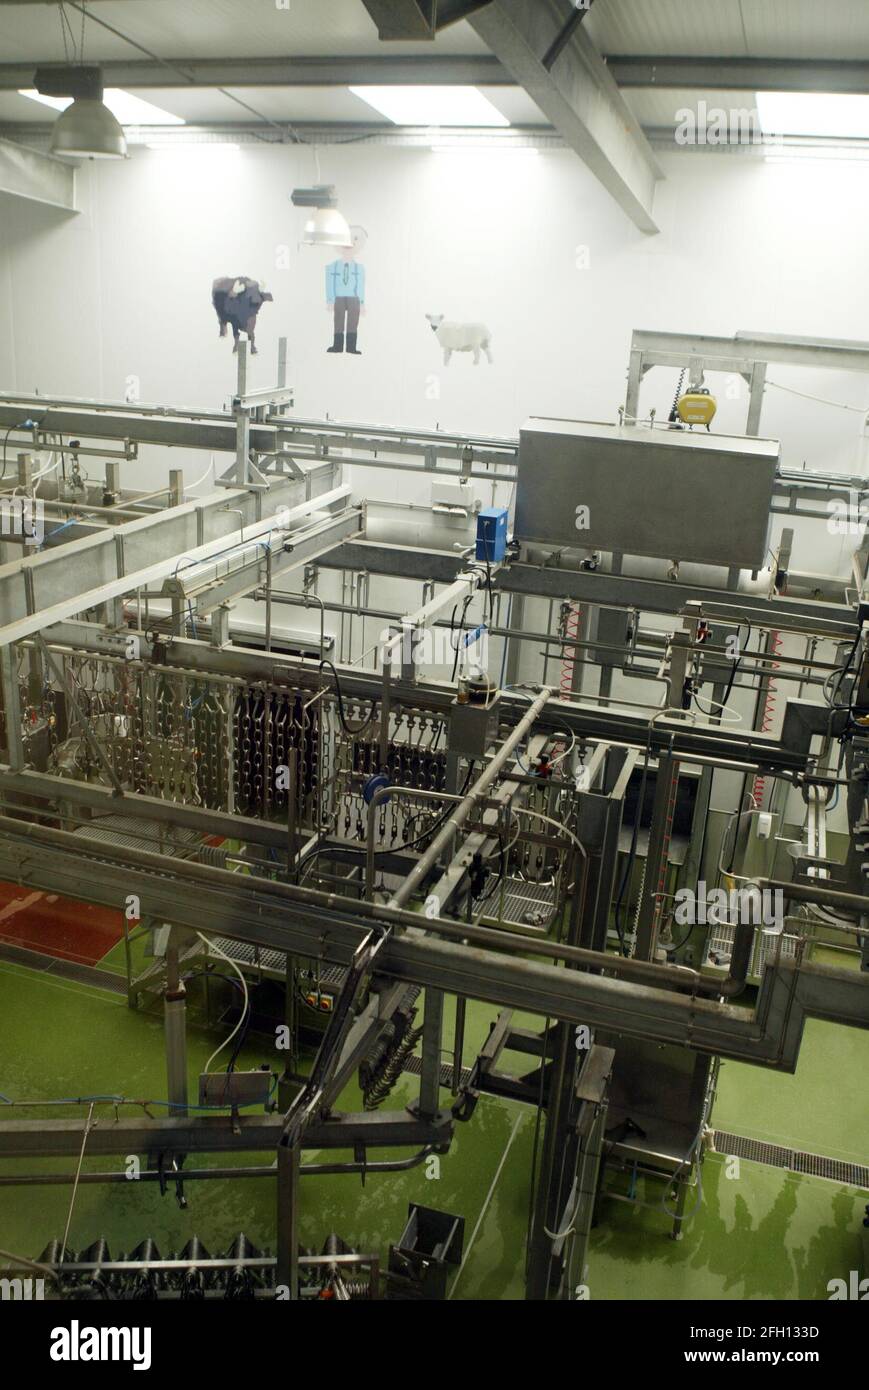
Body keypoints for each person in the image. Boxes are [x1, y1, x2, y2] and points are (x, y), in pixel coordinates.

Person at [325, 227, 367, 355]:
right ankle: (337, 346)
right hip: (339, 297)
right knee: (338, 320)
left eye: (354, 239)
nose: (349, 243)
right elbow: (329, 284)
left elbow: (360, 286)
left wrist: (361, 302)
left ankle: (351, 347)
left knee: (353, 322)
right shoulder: (332, 267)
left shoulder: (359, 268)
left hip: (354, 298)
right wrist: (330, 300)